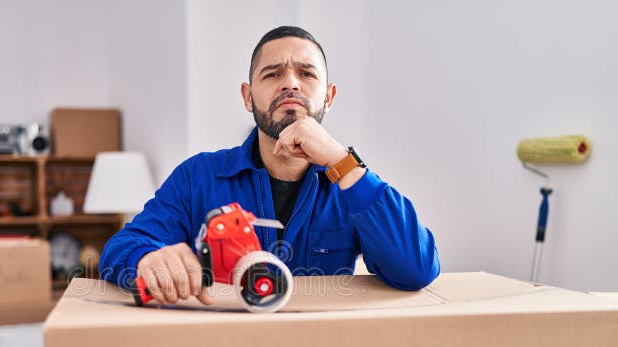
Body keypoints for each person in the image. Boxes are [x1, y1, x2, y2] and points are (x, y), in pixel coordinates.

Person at [99, 26, 440, 305]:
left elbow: (417, 269)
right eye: (272, 73)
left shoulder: (351, 184)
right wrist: (145, 260)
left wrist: (342, 161)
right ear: (248, 97)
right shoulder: (196, 177)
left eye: (306, 73)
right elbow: (120, 249)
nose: (290, 83)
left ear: (329, 97)